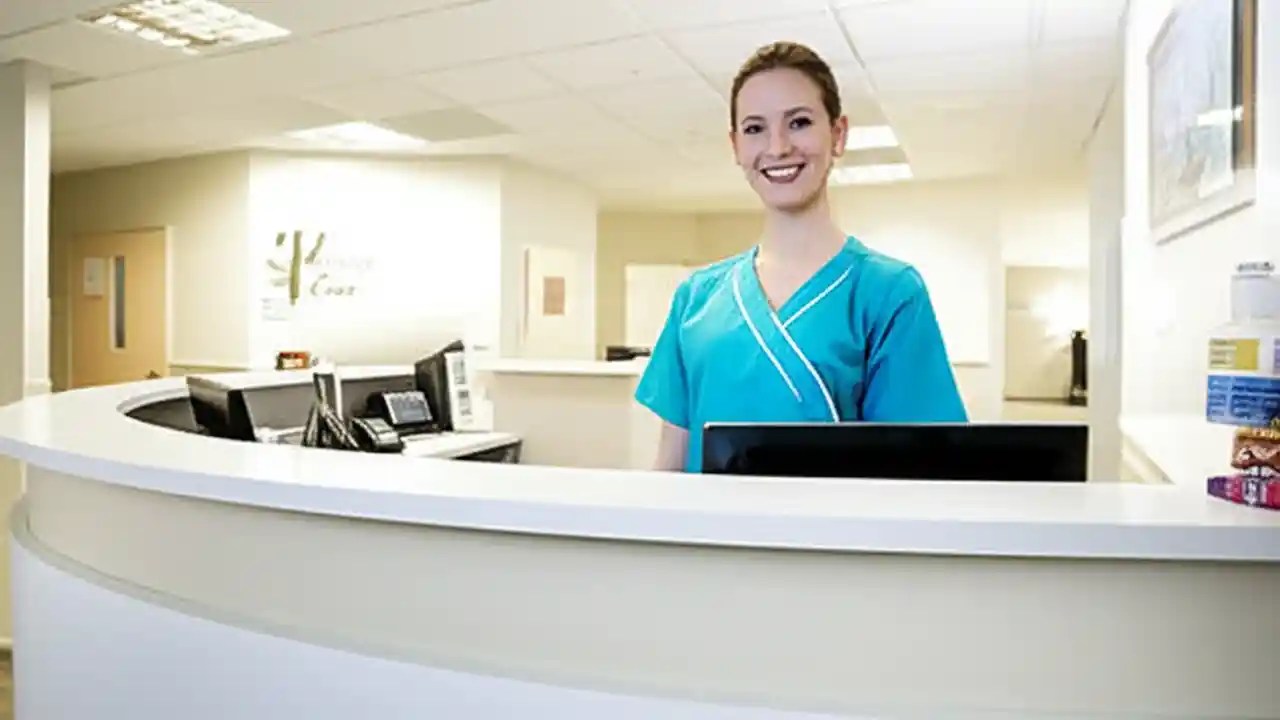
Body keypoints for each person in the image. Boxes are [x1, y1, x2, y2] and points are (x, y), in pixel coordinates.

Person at [633, 41, 968, 473]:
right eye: (755, 129)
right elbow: (670, 465)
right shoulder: (695, 299)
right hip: (707, 539)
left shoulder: (889, 292)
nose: (777, 147)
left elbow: (922, 469)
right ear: (735, 146)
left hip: (833, 539)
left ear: (839, 134)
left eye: (799, 122)